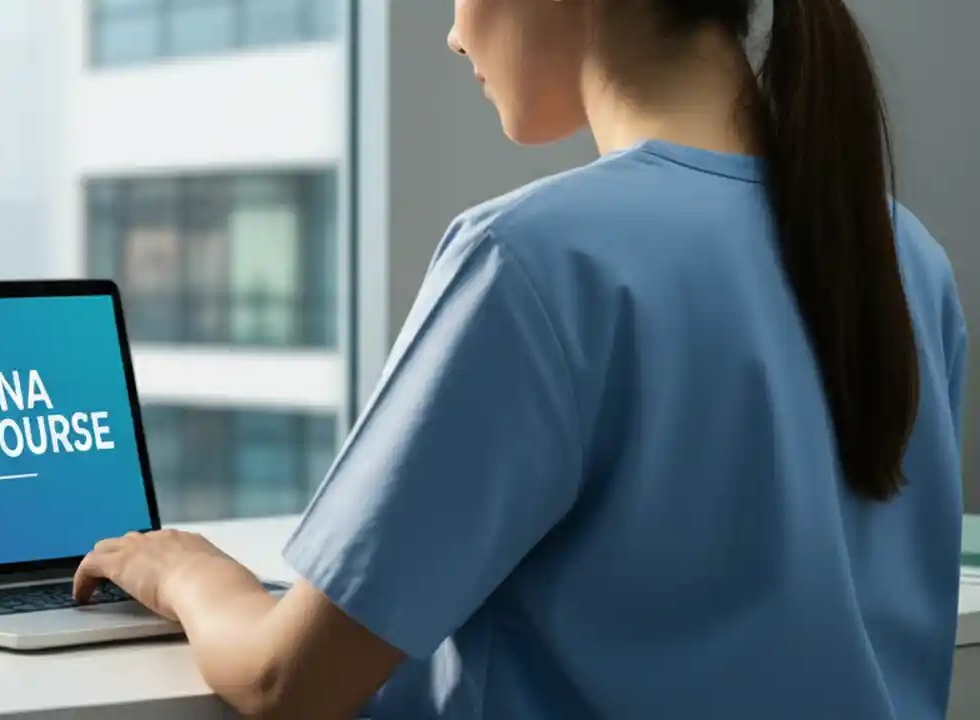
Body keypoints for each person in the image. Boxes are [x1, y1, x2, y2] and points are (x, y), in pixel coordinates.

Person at [74, 0, 969, 717]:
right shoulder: (904, 254)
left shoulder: (535, 258)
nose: (454, 33)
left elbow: (287, 685)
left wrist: (187, 572)